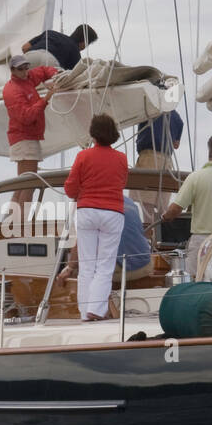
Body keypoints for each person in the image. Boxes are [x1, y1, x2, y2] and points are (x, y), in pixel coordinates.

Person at [63, 114, 128, 320]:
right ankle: (96, 310)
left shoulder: (83, 157)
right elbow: (122, 184)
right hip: (113, 212)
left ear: (93, 133)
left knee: (87, 265)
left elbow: (70, 189)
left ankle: (85, 313)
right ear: (113, 134)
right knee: (105, 266)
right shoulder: (122, 159)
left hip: (87, 211)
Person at [162, 133, 212, 281]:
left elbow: (175, 209)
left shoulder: (196, 177)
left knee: (193, 281)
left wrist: (165, 216)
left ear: (210, 153)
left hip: (202, 242)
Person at [58, 194, 153, 289]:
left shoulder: (92, 205)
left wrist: (69, 268)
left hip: (121, 268)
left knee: (77, 271)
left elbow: (82, 243)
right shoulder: (130, 202)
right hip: (145, 265)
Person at [4, 54, 59, 212]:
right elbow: (26, 117)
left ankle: (11, 222)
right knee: (29, 185)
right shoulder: (13, 91)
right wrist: (46, 99)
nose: (25, 71)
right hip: (24, 139)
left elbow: (42, 71)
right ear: (13, 70)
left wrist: (55, 75)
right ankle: (21, 225)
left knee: (22, 185)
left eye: (26, 67)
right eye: (21, 69)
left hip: (24, 139)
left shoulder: (26, 79)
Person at [133, 109, 184, 225]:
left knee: (147, 205)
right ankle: (159, 236)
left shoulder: (150, 109)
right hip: (167, 161)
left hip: (149, 157)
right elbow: (176, 145)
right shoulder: (177, 118)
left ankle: (150, 236)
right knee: (162, 207)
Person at [21, 24, 97, 70]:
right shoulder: (75, 49)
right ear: (84, 42)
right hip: (51, 63)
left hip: (31, 56)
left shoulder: (50, 33)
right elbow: (73, 74)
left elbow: (25, 48)